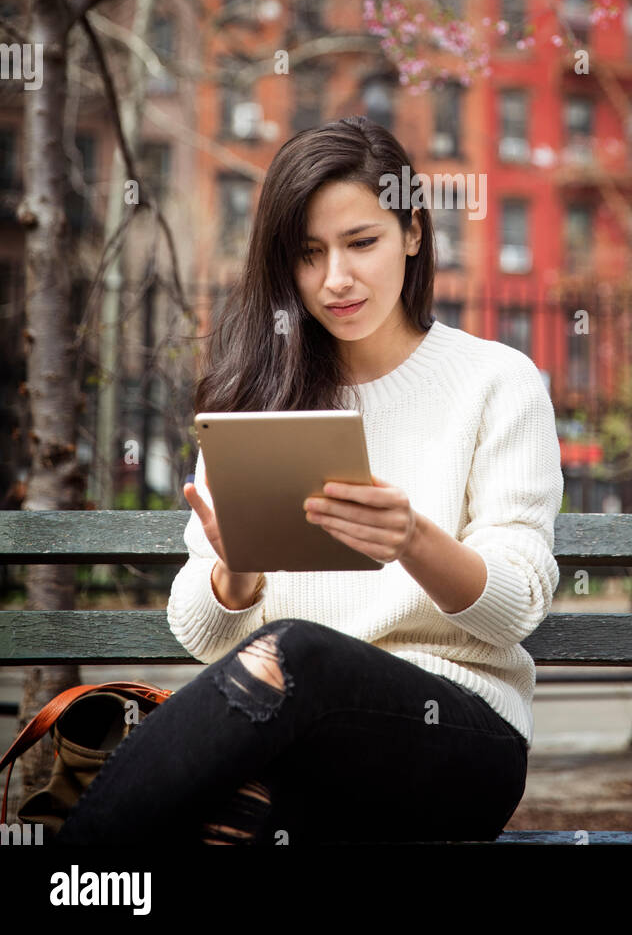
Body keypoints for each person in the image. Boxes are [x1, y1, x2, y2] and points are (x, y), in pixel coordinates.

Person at [57, 115, 563, 846]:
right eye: (309, 255)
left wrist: (414, 540)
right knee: (236, 822)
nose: (336, 280)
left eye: (362, 242)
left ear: (413, 232)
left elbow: (516, 610)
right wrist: (237, 572)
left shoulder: (496, 381)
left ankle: (66, 875)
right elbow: (203, 634)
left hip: (454, 741)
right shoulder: (256, 402)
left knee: (299, 650)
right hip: (297, 749)